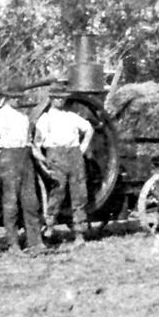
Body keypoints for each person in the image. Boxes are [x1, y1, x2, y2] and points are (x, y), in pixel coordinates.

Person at [0, 86, 45, 253]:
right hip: (7, 157)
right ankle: (13, 244)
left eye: (20, 96)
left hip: (25, 157)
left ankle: (35, 242)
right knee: (11, 202)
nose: (18, 99)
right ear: (7, 97)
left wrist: (42, 160)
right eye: (14, 96)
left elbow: (30, 144)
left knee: (31, 201)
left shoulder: (23, 117)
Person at [33, 95, 95, 245]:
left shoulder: (72, 117)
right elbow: (36, 144)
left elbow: (89, 129)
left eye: (62, 97)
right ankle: (49, 227)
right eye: (57, 97)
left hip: (74, 154)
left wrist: (83, 147)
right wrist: (43, 159)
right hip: (55, 155)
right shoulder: (45, 119)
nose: (60, 100)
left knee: (79, 194)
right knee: (57, 192)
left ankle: (79, 234)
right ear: (51, 99)